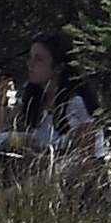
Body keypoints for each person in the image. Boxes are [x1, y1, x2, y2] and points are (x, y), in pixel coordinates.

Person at [13, 34, 98, 175]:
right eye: (30, 57)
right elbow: (1, 134)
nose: (30, 64)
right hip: (37, 171)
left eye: (39, 59)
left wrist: (41, 159)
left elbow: (86, 159)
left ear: (58, 67)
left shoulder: (75, 103)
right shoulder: (32, 100)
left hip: (67, 177)